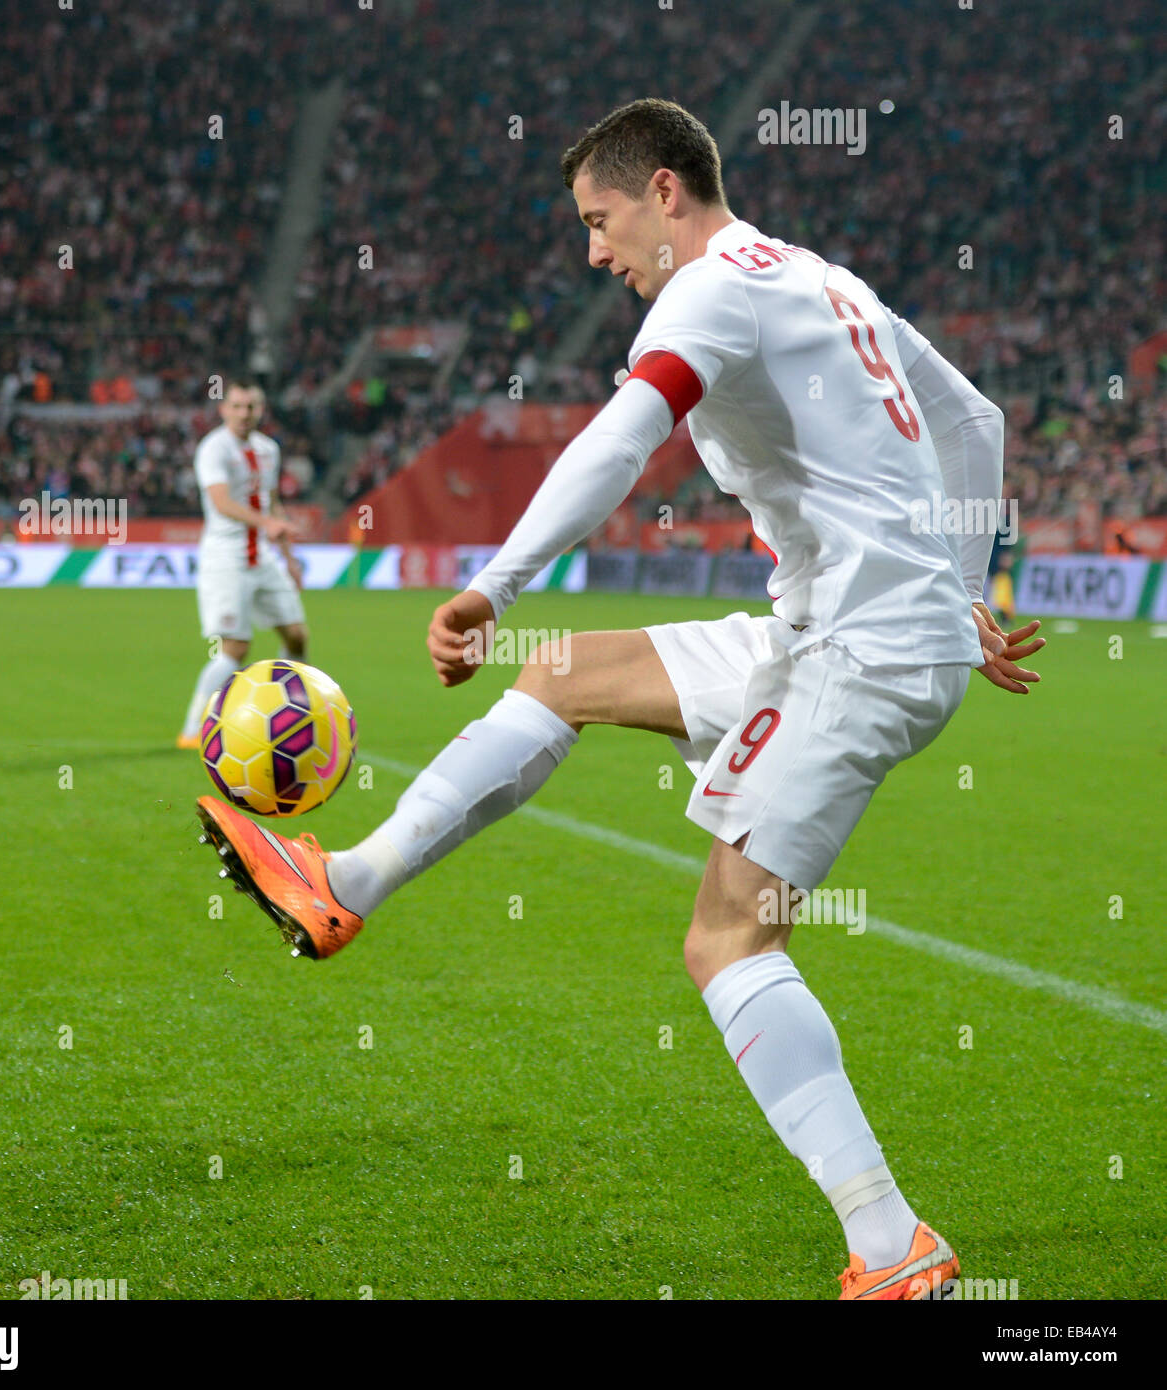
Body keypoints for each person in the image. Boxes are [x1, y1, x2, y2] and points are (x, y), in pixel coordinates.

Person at [193, 100, 1044, 1299]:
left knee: (729, 938)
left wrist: (492, 585)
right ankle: (344, 883)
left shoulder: (708, 288)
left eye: (598, 220)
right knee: (561, 672)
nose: (594, 251)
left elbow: (617, 438)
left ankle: (888, 1240)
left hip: (857, 650)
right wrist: (961, 591)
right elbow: (974, 419)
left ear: (662, 191)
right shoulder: (822, 278)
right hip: (844, 626)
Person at [177, 378, 309, 748]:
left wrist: (290, 559)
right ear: (223, 409)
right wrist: (267, 522)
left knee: (297, 634)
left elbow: (271, 503)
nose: (243, 413)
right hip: (226, 558)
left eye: (250, 407)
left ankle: (295, 714)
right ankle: (192, 729)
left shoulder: (268, 449)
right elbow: (221, 502)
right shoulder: (213, 448)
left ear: (260, 410)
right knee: (235, 648)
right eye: (236, 406)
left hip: (264, 557)